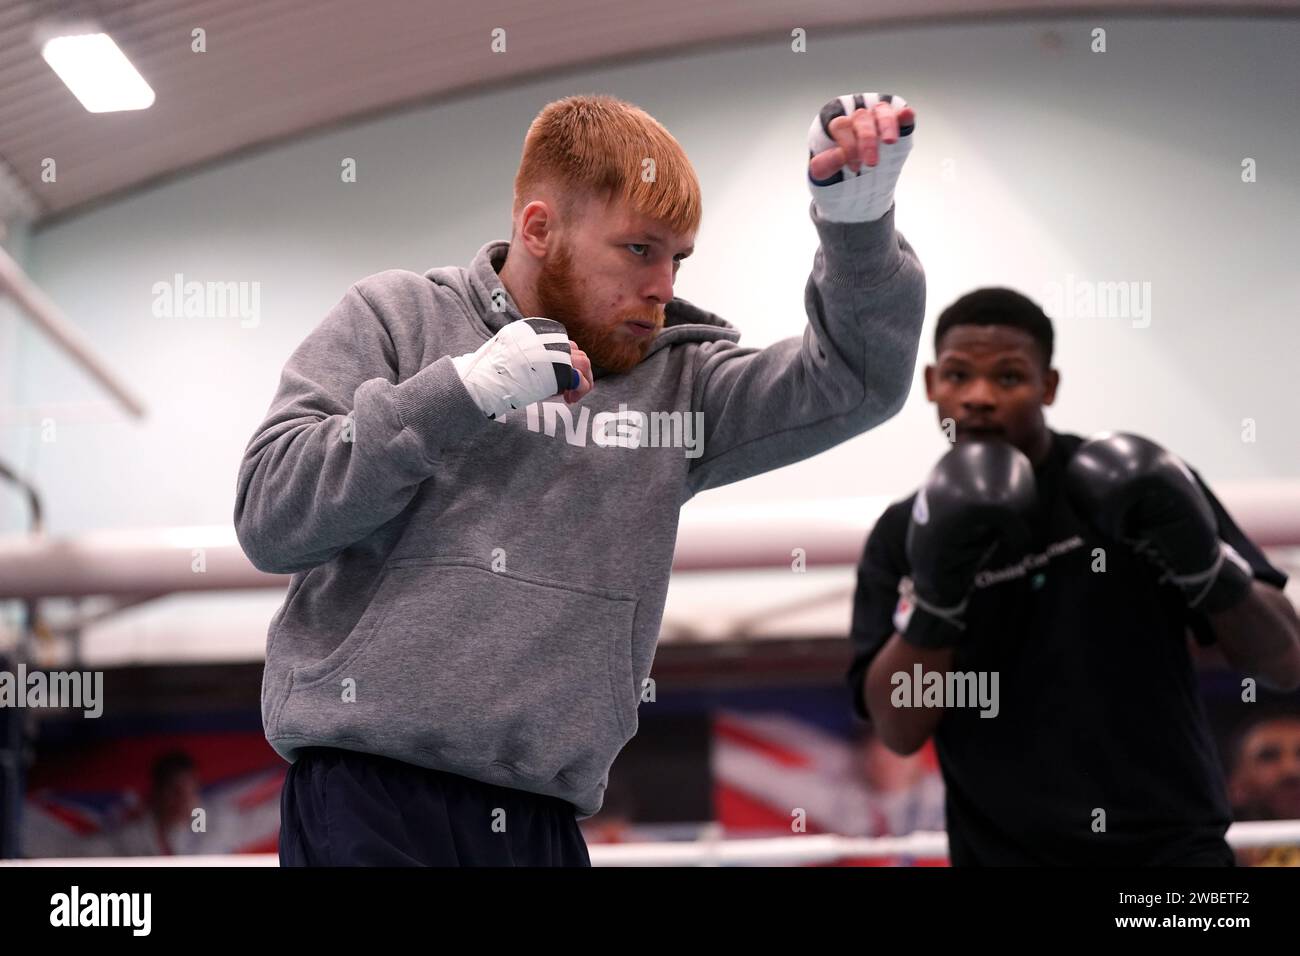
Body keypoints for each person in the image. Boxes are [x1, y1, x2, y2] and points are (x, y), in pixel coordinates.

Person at [236, 92, 926, 865]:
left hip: (542, 819)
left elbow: (858, 384)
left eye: (678, 258)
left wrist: (859, 227)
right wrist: (454, 396)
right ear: (539, 229)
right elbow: (270, 516)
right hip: (369, 795)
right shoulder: (396, 318)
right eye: (639, 249)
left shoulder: (680, 388)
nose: (663, 285)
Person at [846, 287, 1300, 866]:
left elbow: (1284, 661)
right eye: (959, 376)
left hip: (1174, 859)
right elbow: (899, 731)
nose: (979, 398)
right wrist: (935, 604)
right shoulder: (902, 533)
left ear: (1048, 387)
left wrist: (1206, 567)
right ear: (933, 383)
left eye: (1008, 378)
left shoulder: (1138, 484)